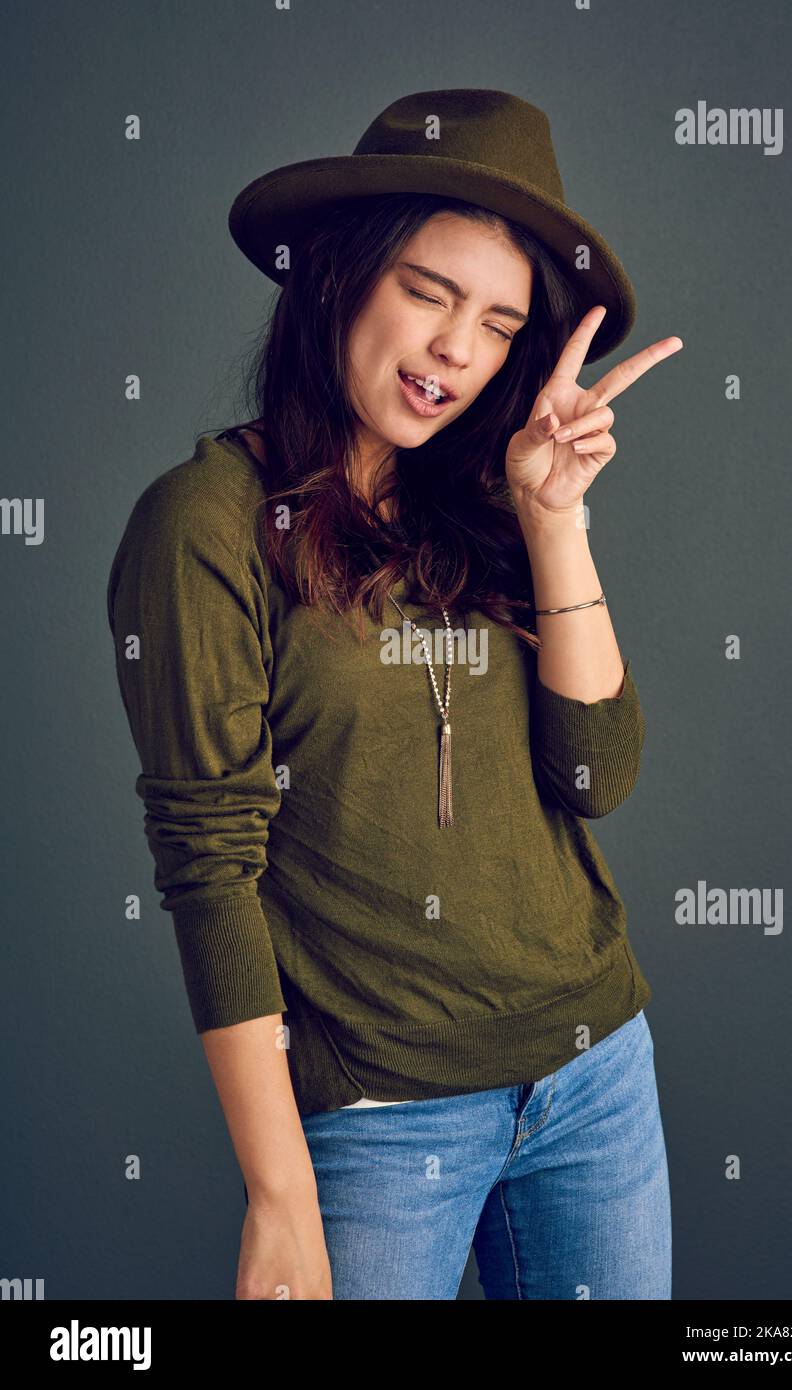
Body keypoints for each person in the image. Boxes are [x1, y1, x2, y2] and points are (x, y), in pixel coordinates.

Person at [106, 88, 682, 1300]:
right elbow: (211, 864)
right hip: (378, 1115)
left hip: (592, 1077)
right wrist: (276, 1193)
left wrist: (552, 518)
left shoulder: (487, 496)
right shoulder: (204, 525)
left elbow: (598, 774)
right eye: (428, 291)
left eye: (498, 320)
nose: (456, 351)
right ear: (335, 278)